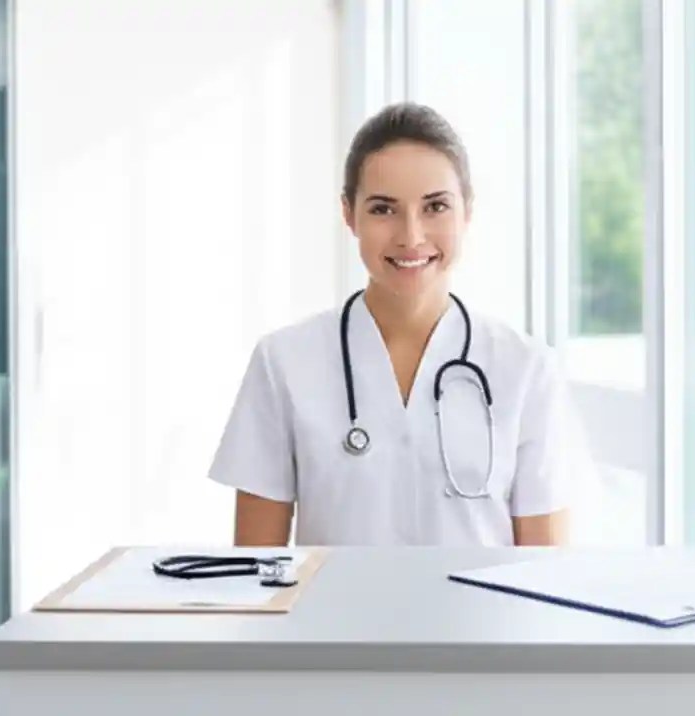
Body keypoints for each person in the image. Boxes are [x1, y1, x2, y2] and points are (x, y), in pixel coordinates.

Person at [209, 102, 585, 547]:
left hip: (480, 599)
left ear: (467, 211)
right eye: (383, 209)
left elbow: (544, 569)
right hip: (334, 599)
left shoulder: (526, 369)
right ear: (349, 214)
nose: (411, 236)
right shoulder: (283, 363)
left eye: (435, 207)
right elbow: (257, 567)